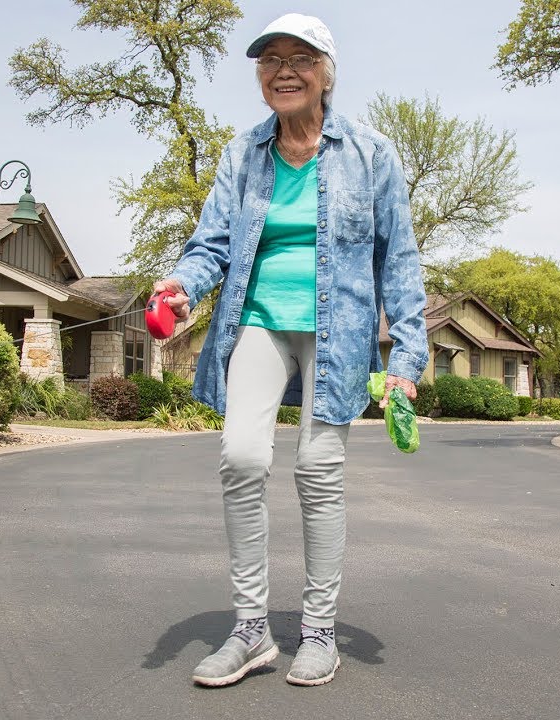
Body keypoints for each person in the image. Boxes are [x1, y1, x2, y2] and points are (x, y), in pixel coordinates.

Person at [152, 12, 429, 688]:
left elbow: (401, 262)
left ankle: (319, 632)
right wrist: (184, 284)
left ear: (327, 72)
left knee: (317, 469)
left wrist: (407, 359)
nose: (284, 70)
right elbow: (211, 241)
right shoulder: (243, 153)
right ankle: (250, 631)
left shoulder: (372, 153)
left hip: (340, 333)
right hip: (259, 319)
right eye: (269, 58)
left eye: (301, 57)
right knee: (242, 458)